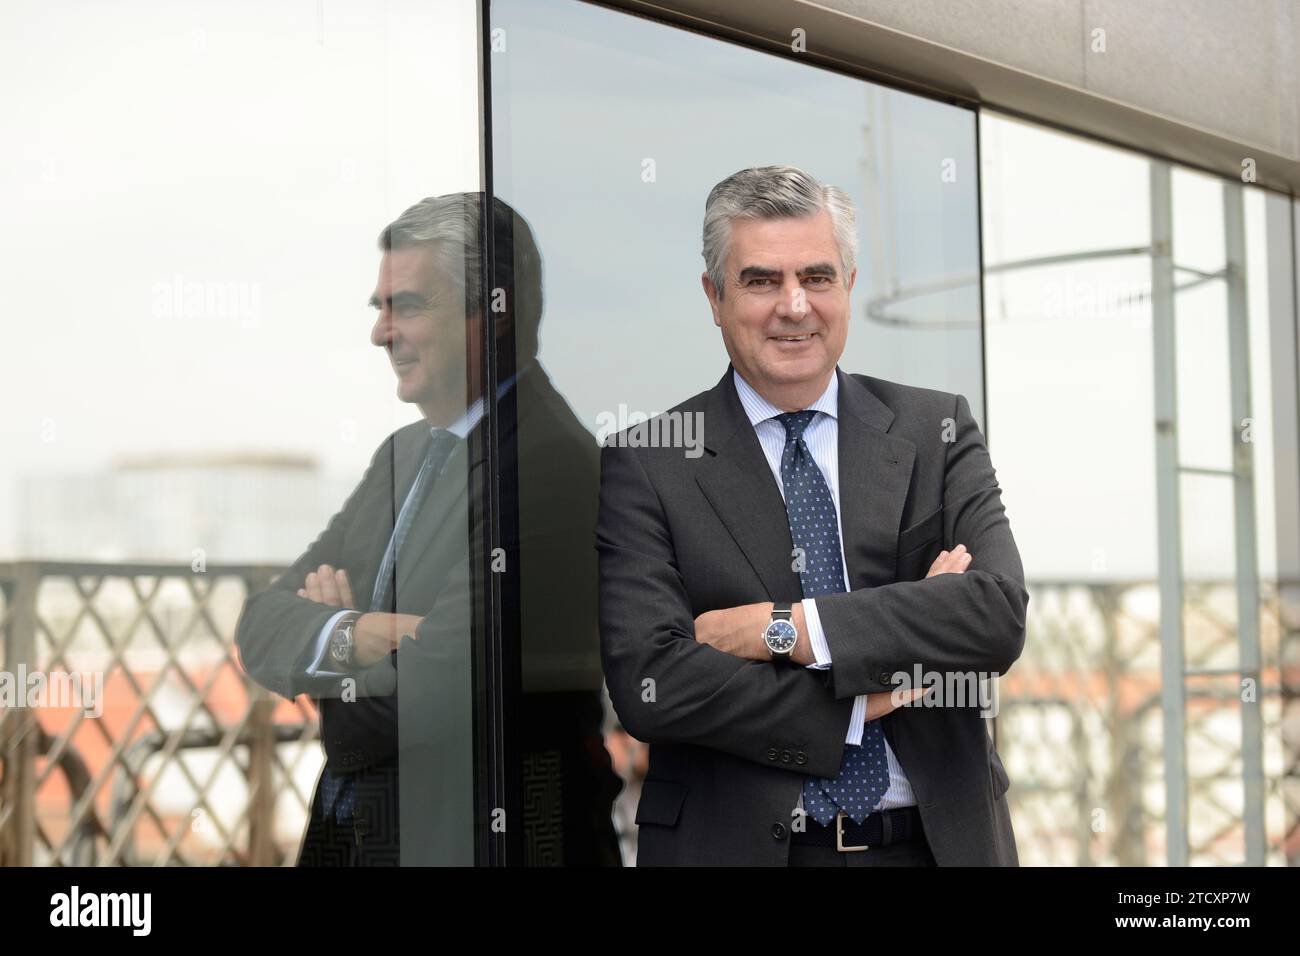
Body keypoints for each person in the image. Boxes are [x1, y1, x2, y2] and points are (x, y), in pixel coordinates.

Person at [597, 165, 1026, 866]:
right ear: (714, 295)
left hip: (934, 848)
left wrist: (785, 629)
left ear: (848, 286)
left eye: (818, 277)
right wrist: (863, 695)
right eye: (762, 280)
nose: (794, 306)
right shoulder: (648, 462)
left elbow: (994, 617)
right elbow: (654, 686)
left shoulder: (936, 430)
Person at [235, 193, 621, 865]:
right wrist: (360, 633)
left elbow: (444, 698)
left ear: (492, 312)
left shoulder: (549, 464)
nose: (381, 333)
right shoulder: (404, 454)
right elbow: (259, 625)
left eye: (407, 305)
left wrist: (327, 666)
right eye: (380, 309)